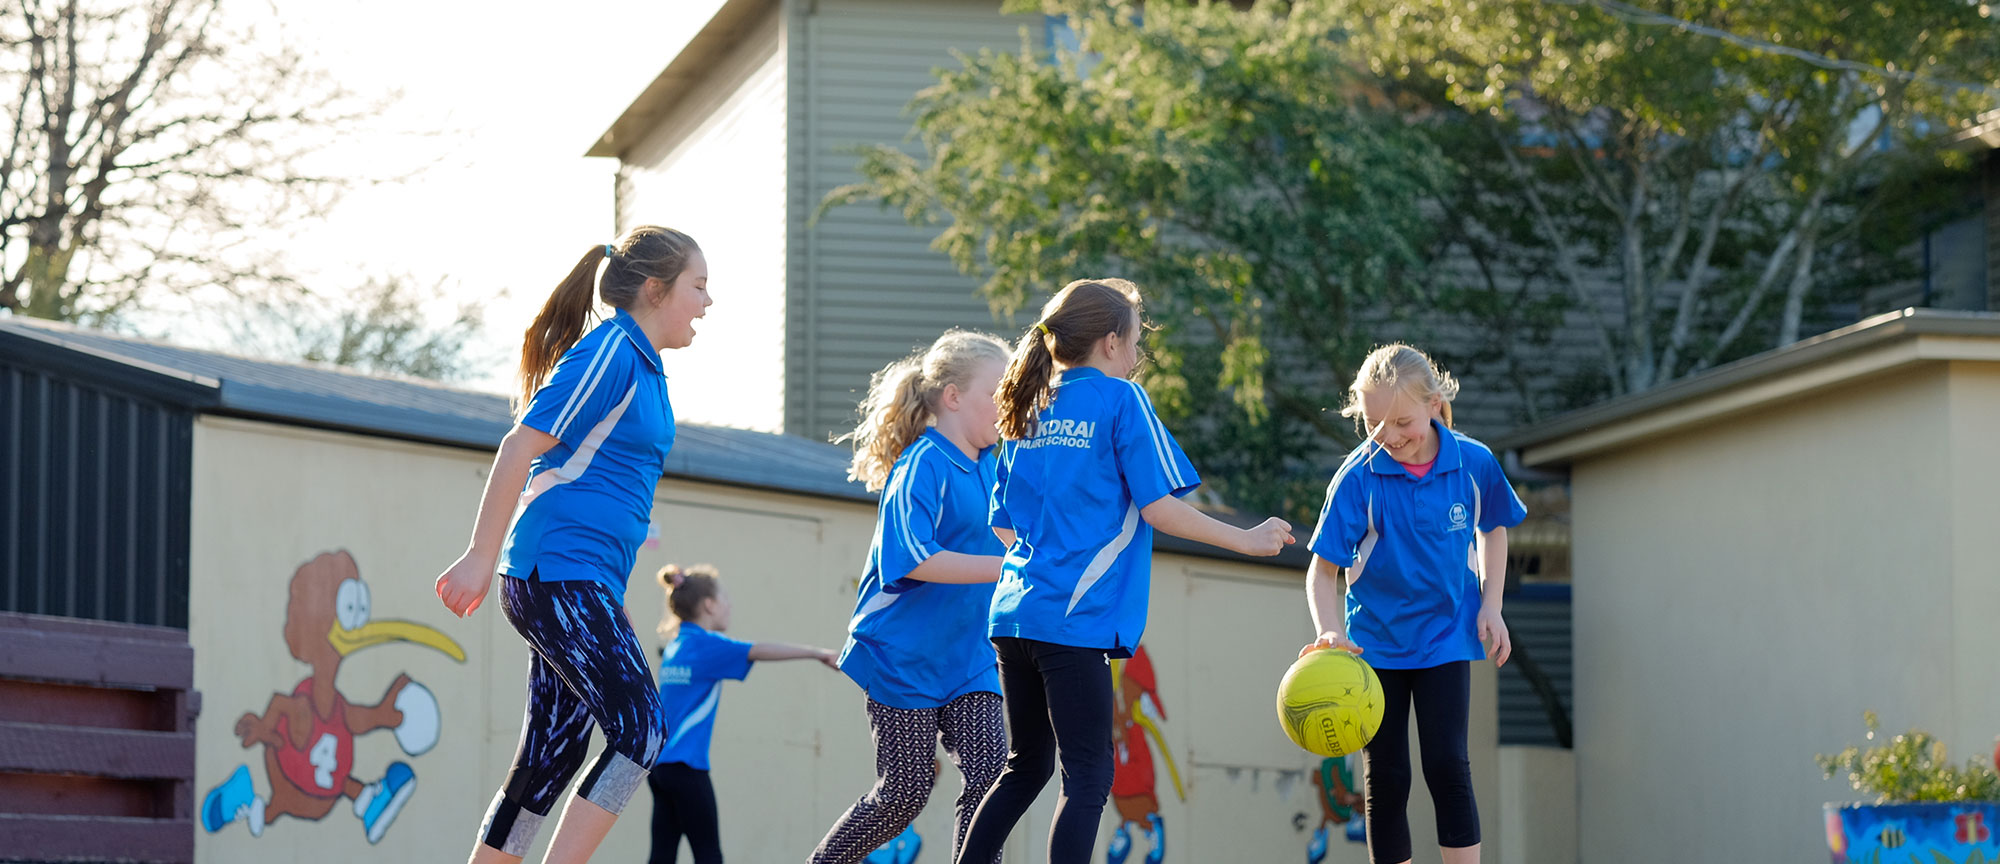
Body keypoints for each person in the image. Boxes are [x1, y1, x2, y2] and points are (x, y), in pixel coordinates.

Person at [955, 278, 1295, 864]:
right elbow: (1160, 506)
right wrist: (1246, 538)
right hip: (1075, 620)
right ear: (1111, 343)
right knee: (1087, 775)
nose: (1139, 357)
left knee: (1025, 767)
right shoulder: (1121, 401)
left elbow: (1004, 526)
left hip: (1014, 613)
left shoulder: (1030, 405)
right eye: (1137, 342)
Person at [432, 227, 707, 863]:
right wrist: (479, 554)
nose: (706, 302)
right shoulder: (611, 351)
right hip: (554, 574)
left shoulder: (645, 365)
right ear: (654, 289)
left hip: (582, 582)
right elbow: (520, 446)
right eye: (698, 287)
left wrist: (611, 601)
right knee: (641, 731)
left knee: (550, 758)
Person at [1300, 344, 1527, 864]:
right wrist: (1331, 631)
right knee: (1388, 774)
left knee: (1448, 763)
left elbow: (1494, 527)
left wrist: (1491, 604)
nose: (1390, 437)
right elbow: (1322, 570)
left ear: (1433, 403)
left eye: (1402, 421)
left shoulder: (1474, 462)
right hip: (1374, 646)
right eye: (1375, 424)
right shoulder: (1358, 477)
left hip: (1447, 636)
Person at [807, 330, 1015, 864]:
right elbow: (913, 558)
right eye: (997, 392)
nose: (1007, 405)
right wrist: (1007, 566)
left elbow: (1022, 538)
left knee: (993, 777)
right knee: (905, 793)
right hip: (902, 657)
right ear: (952, 397)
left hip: (967, 659)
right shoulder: (922, 464)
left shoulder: (994, 467)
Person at [652, 564, 840, 864]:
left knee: (662, 854)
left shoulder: (677, 646)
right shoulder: (705, 645)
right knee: (708, 854)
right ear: (709, 605)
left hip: (661, 769)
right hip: (687, 767)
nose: (730, 606)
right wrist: (817, 653)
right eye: (725, 599)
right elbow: (759, 650)